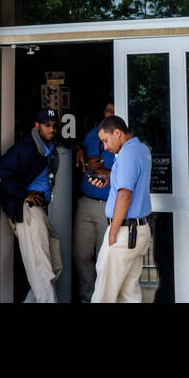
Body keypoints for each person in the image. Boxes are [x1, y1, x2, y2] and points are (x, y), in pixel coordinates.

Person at [0, 107, 63, 302]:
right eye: (47, 125)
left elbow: (68, 143)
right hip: (27, 212)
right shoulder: (26, 147)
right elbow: (3, 171)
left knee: (55, 264)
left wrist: (79, 151)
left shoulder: (47, 145)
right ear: (36, 126)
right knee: (41, 270)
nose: (52, 129)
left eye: (54, 126)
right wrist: (24, 194)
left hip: (39, 211)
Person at [91, 115, 152, 304]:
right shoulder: (142, 149)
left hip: (125, 231)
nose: (105, 147)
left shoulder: (128, 154)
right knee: (128, 294)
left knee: (104, 294)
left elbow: (124, 195)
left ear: (117, 133)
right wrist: (111, 179)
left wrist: (113, 231)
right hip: (139, 230)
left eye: (105, 140)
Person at [73, 99, 116, 301]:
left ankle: (101, 298)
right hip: (85, 201)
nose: (110, 114)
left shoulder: (121, 140)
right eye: (108, 110)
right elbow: (79, 145)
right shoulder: (94, 133)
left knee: (103, 258)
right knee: (80, 254)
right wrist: (81, 152)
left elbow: (126, 174)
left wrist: (104, 171)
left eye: (114, 112)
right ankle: (86, 297)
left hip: (106, 205)